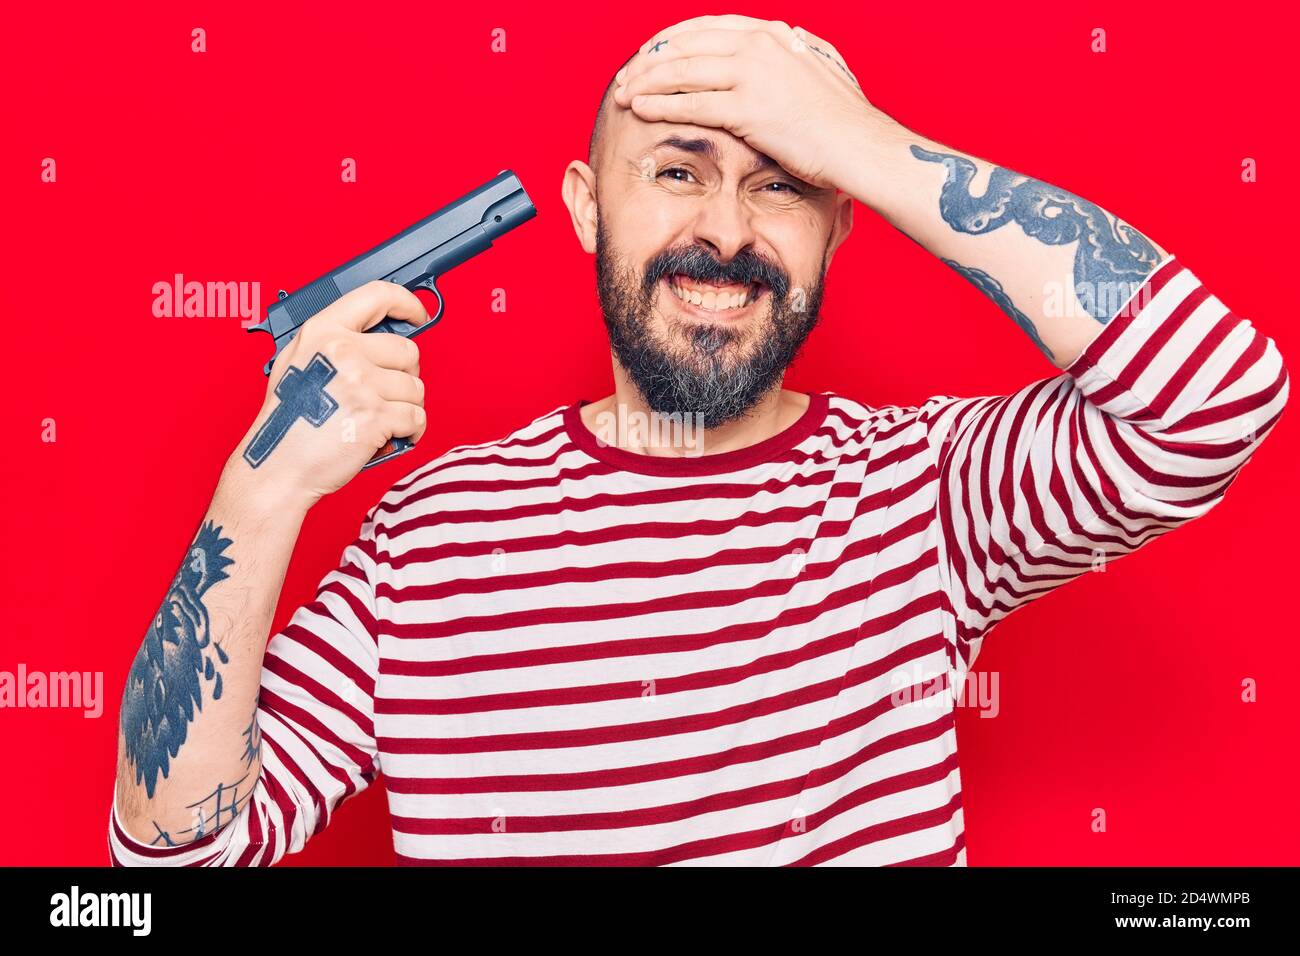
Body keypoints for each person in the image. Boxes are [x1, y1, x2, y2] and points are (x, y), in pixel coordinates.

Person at [110, 15, 1288, 866]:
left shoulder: (920, 494)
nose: (724, 232)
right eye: (677, 171)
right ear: (584, 205)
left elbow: (1216, 402)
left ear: (841, 223)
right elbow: (170, 864)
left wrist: (864, 146)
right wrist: (258, 492)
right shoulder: (429, 535)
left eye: (780, 185)